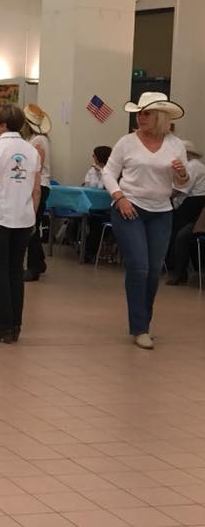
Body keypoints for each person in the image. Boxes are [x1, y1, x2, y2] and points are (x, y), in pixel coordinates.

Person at [103, 92, 189, 349]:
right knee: (139, 267)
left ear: (160, 117)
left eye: (147, 113)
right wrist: (119, 198)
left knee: (153, 271)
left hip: (162, 211)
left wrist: (183, 175)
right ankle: (139, 327)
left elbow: (181, 184)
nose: (140, 117)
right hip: (129, 209)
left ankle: (144, 323)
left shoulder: (176, 145)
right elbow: (108, 172)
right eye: (139, 113)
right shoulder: (126, 143)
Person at [0, 104, 41, 344]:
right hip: (23, 218)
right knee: (16, 271)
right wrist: (31, 215)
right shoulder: (31, 150)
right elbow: (36, 190)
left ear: (2, 125)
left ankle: (2, 326)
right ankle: (16, 326)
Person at [166, 140, 205, 285]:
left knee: (178, 235)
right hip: (196, 207)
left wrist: (162, 196)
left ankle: (178, 271)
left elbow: (180, 189)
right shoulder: (198, 166)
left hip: (194, 206)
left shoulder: (192, 167)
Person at [22, 104, 52, 282]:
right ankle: (39, 262)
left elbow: (37, 167)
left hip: (39, 186)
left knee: (31, 226)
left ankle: (33, 267)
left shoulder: (39, 141)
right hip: (36, 186)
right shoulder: (34, 139)